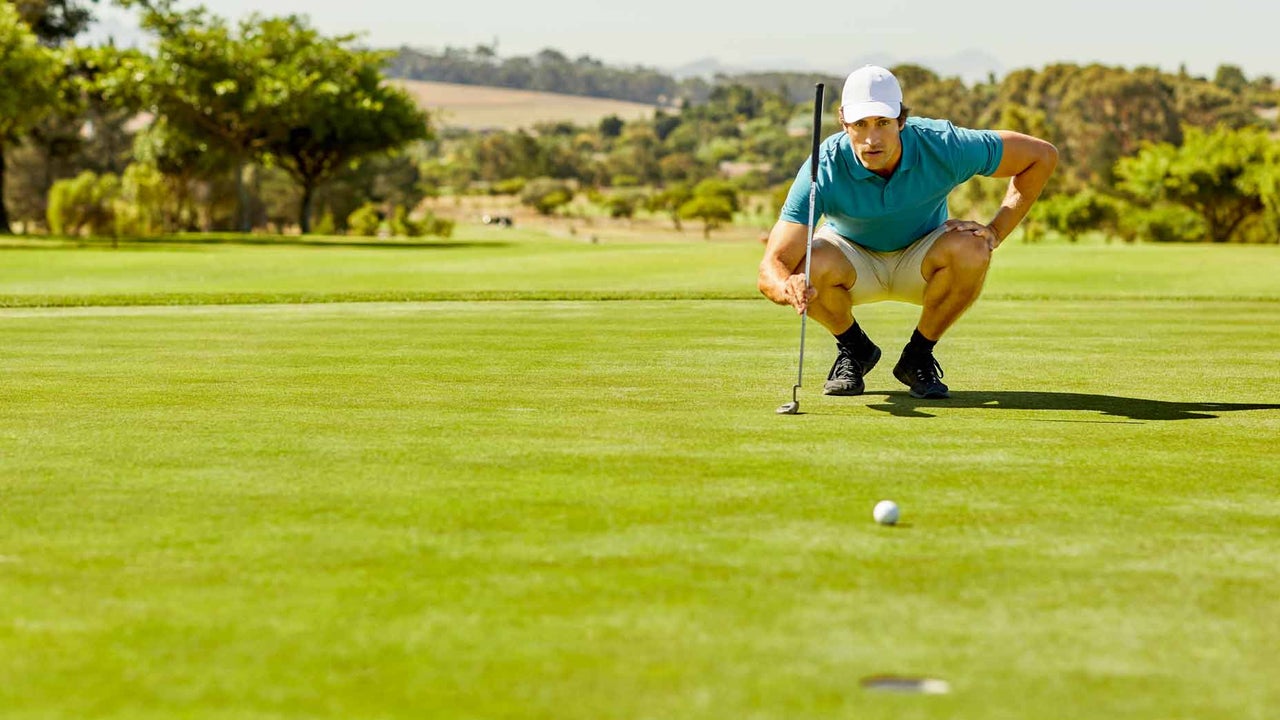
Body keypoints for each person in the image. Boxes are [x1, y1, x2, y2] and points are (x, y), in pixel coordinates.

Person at [758, 65, 1058, 399]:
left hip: (923, 254)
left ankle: (918, 357)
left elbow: (1041, 156)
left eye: (883, 123)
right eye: (860, 124)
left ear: (901, 120)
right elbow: (772, 265)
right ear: (843, 122)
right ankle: (854, 349)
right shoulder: (823, 165)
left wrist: (996, 231)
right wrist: (788, 289)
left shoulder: (943, 145)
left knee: (973, 249)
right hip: (850, 257)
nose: (872, 139)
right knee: (805, 266)